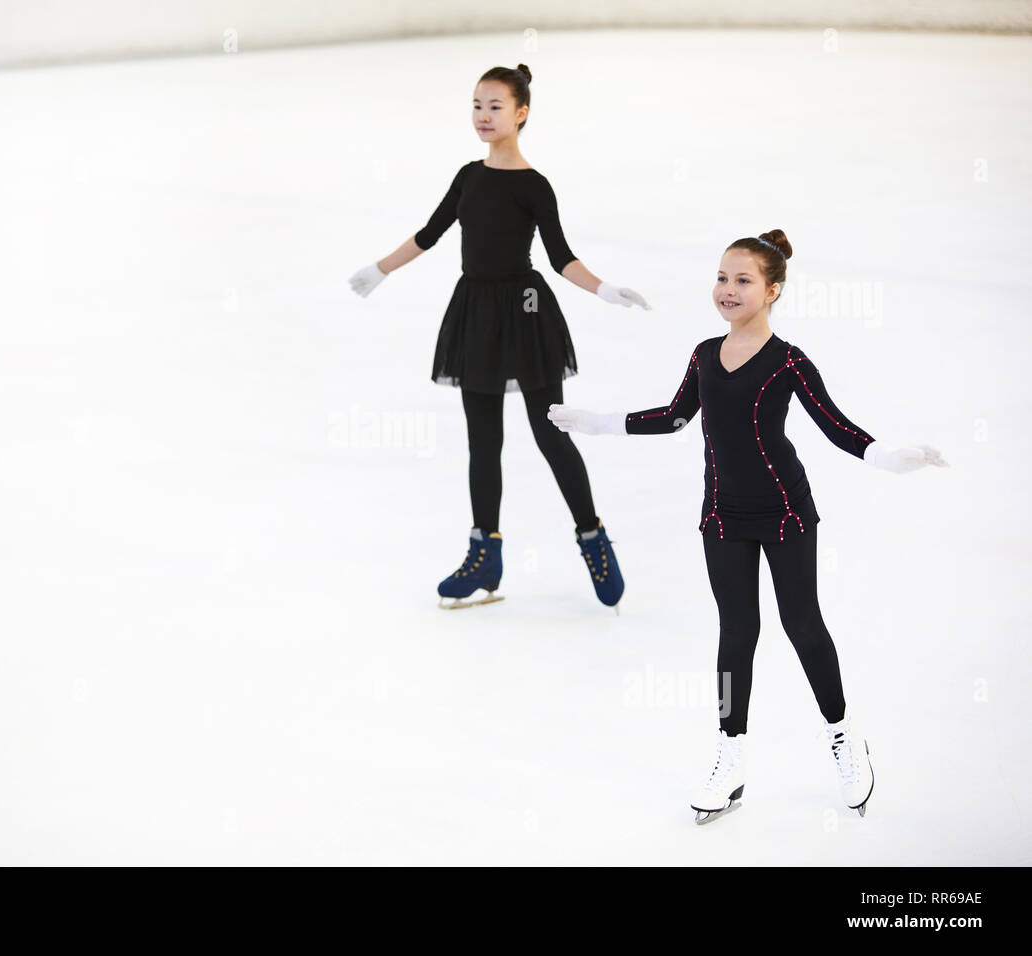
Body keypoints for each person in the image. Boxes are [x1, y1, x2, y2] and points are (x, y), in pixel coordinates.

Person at [548, 229, 948, 821]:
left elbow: (836, 427)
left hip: (785, 510)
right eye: (721, 277)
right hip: (722, 514)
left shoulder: (790, 361)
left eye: (743, 280)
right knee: (736, 632)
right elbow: (674, 416)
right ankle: (729, 753)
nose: (727, 290)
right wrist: (595, 422)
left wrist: (890, 458)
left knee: (802, 625)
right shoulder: (705, 354)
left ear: (772, 290)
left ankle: (843, 735)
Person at [348, 63, 650, 610]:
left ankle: (593, 538)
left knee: (550, 432)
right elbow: (430, 233)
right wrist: (380, 269)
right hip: (476, 313)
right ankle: (484, 552)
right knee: (482, 441)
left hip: (526, 312)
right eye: (476, 106)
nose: (483, 116)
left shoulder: (534, 186)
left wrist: (605, 289)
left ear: (521, 114)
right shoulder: (467, 176)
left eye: (495, 107)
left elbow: (560, 256)